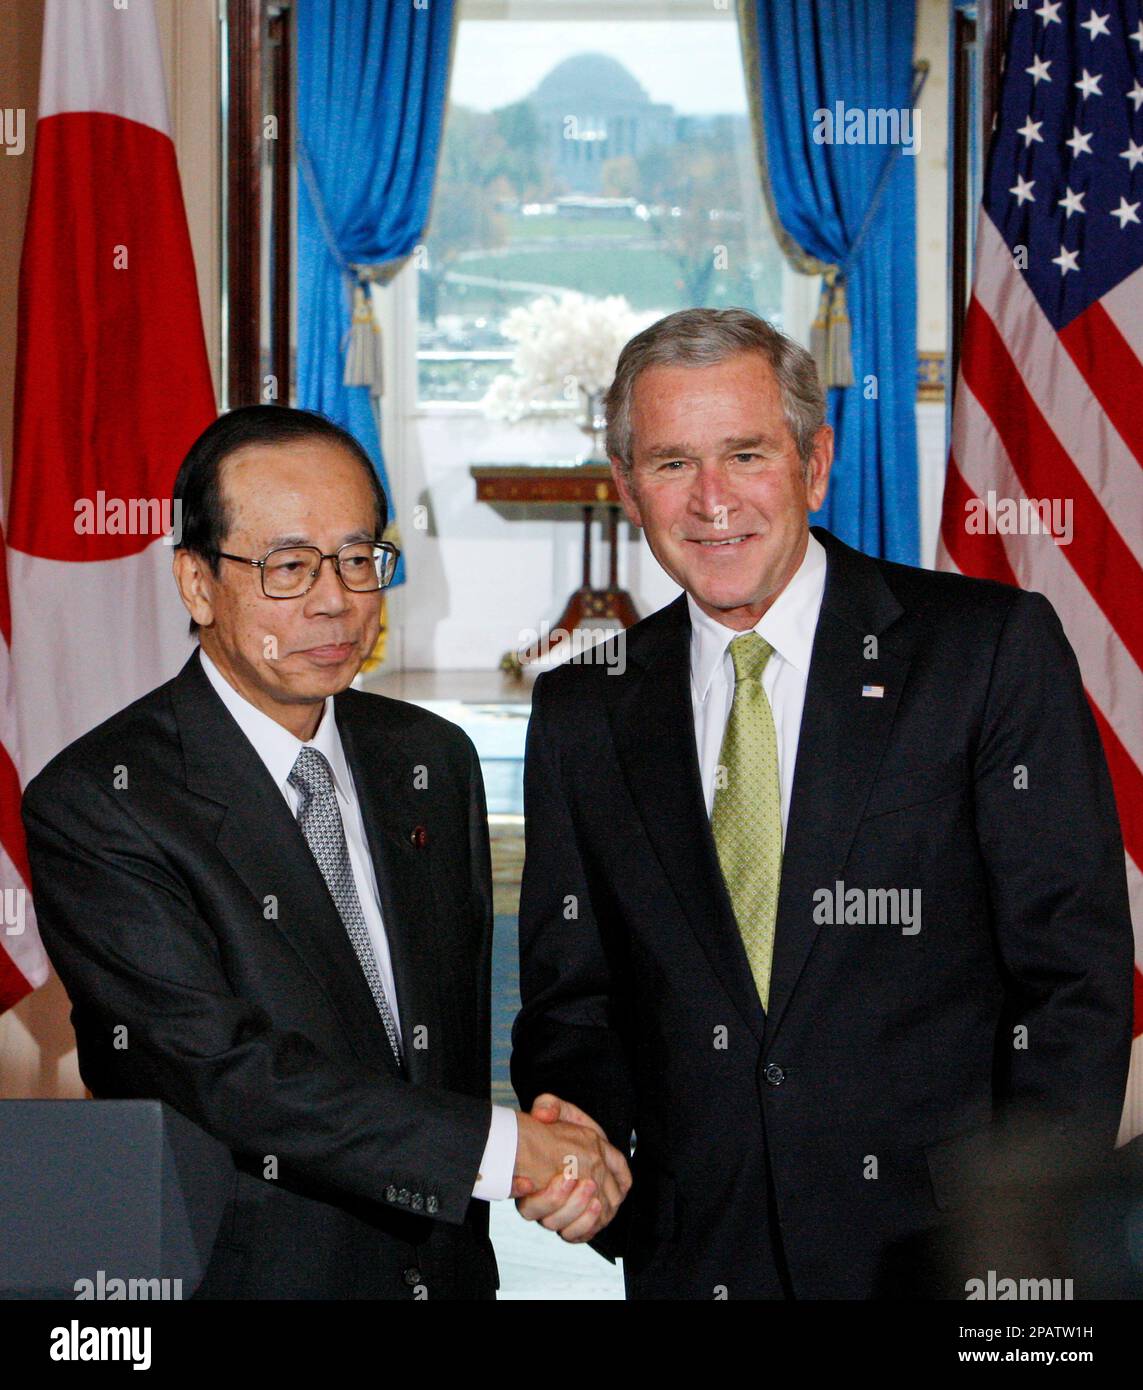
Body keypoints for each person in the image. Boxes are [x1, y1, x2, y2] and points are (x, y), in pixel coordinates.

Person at [510, 308, 1134, 1299]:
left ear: (816, 460)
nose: (713, 501)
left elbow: (1074, 979)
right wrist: (588, 1143)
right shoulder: (585, 706)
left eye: (746, 453)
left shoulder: (984, 651)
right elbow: (572, 997)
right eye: (671, 463)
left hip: (948, 1255)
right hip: (693, 1253)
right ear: (628, 487)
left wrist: (1024, 1243)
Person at [22, 405, 630, 1300]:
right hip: (245, 1276)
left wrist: (554, 1141)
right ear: (196, 584)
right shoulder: (102, 801)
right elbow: (228, 1074)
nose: (335, 599)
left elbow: (445, 1043)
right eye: (288, 565)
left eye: (358, 557)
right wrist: (507, 1152)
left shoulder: (429, 758)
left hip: (444, 1273)